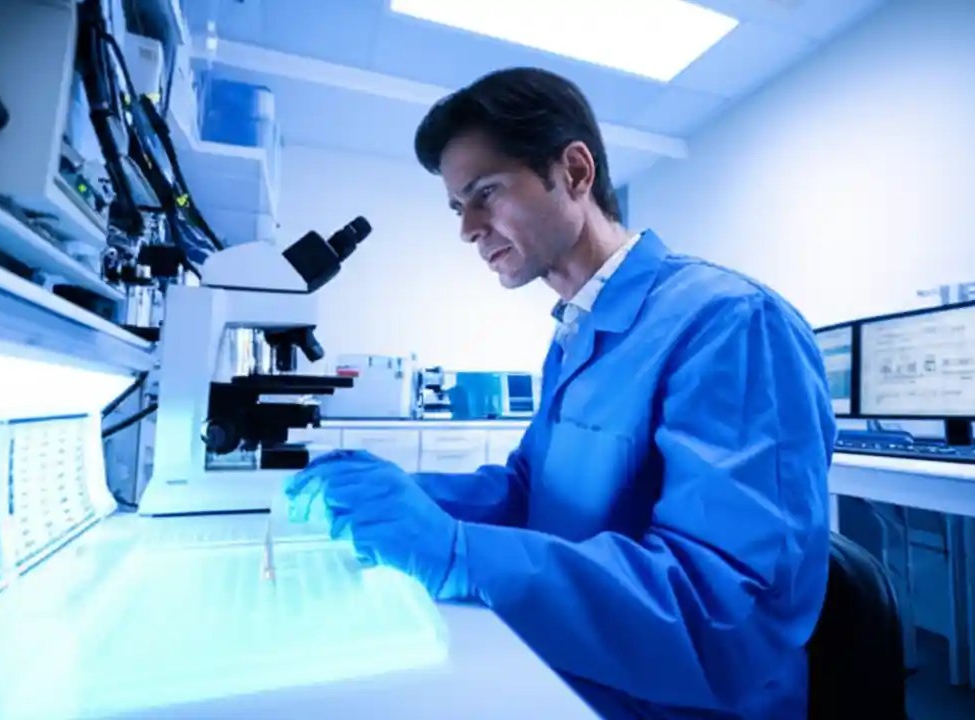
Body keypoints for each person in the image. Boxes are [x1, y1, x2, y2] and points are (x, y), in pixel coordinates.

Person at [284, 67, 836, 719]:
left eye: (485, 193)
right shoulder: (576, 333)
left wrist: (459, 553)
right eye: (459, 207)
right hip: (571, 666)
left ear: (574, 172)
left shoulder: (730, 323)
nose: (467, 229)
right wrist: (402, 495)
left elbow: (723, 614)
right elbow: (527, 491)